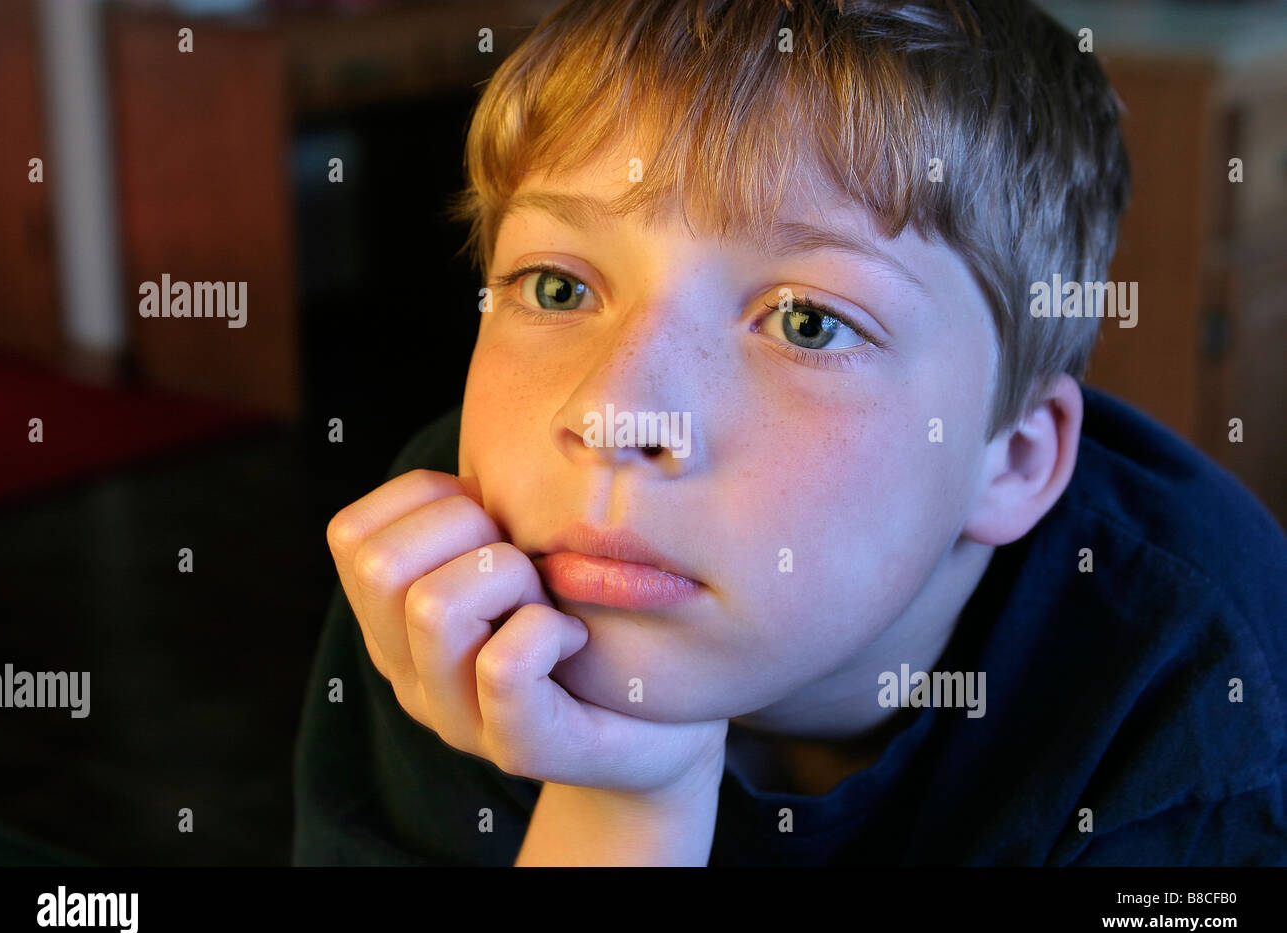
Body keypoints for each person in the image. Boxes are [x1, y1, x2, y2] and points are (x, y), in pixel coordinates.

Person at [292, 0, 1287, 865]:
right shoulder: (450, 563)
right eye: (557, 286)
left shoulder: (1191, 684)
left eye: (809, 321)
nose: (609, 415)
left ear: (1011, 459)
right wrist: (631, 795)